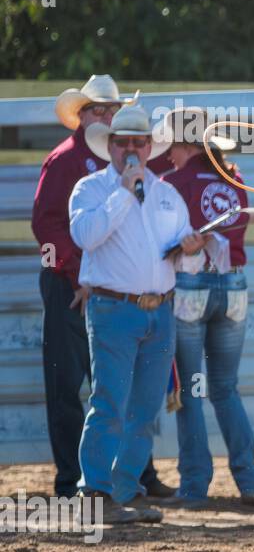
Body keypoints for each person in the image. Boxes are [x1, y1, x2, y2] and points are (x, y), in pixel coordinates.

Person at [32, 74, 174, 500]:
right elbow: (47, 227)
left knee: (121, 387)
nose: (106, 115)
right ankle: (71, 480)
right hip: (69, 286)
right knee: (68, 386)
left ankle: (134, 477)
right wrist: (81, 278)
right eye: (98, 109)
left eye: (111, 110)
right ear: (82, 116)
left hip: (113, 289)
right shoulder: (64, 162)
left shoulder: (128, 164)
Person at [69, 104, 206, 523]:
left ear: (150, 146)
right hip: (113, 308)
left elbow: (188, 263)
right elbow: (86, 236)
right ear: (109, 145)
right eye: (123, 141)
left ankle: (123, 490)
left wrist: (193, 250)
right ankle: (95, 494)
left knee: (145, 409)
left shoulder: (167, 194)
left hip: (160, 310)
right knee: (109, 402)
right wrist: (124, 193)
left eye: (138, 142)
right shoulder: (91, 189)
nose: (131, 149)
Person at [157, 107, 254, 509]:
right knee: (225, 388)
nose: (168, 153)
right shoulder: (233, 180)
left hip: (190, 287)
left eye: (172, 145)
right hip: (234, 286)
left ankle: (195, 485)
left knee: (190, 390)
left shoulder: (171, 184)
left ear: (184, 145)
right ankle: (249, 480)